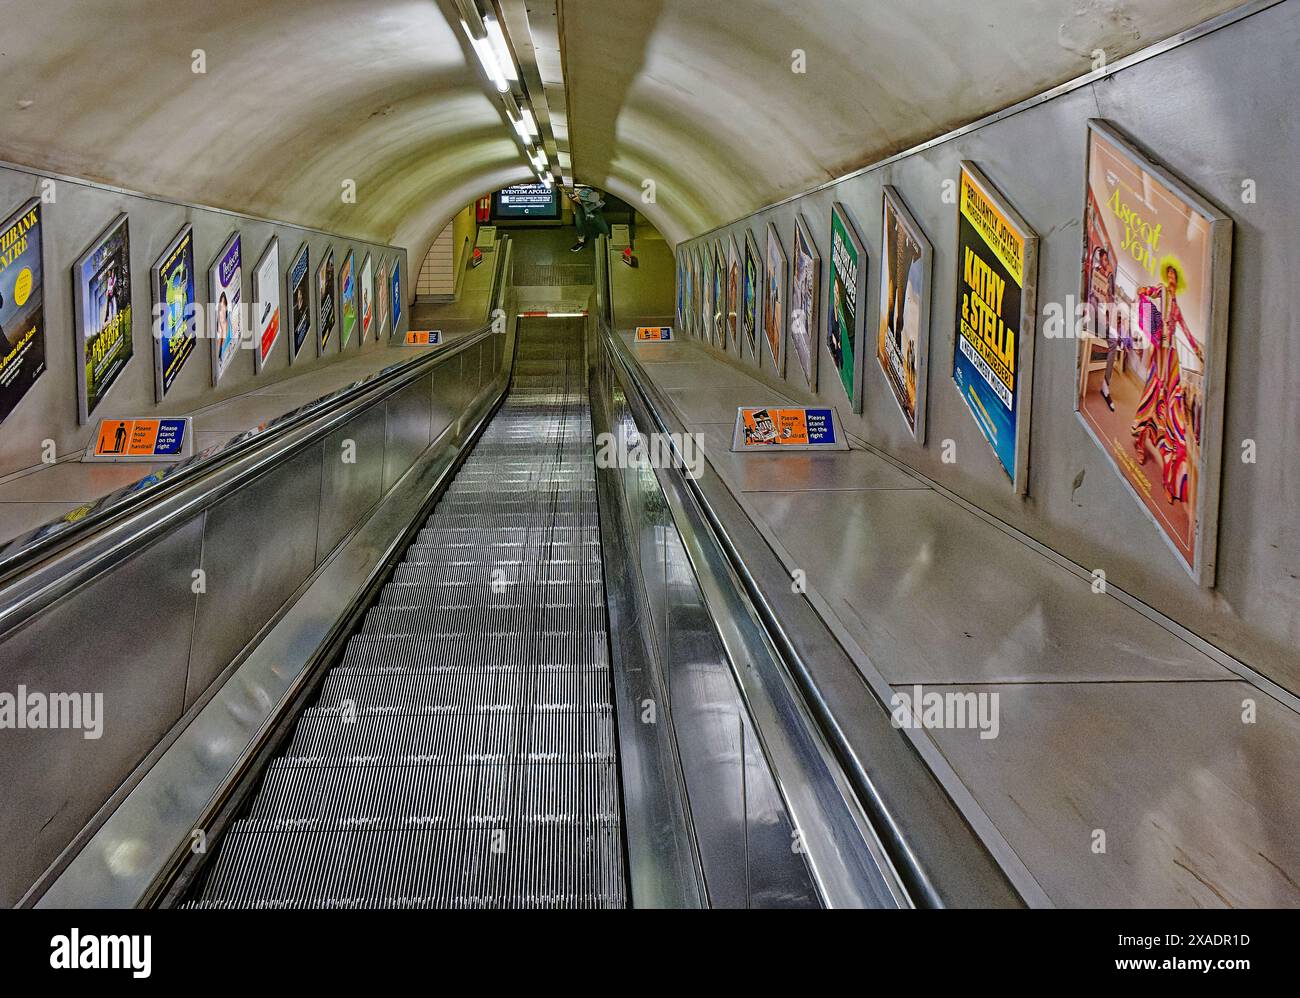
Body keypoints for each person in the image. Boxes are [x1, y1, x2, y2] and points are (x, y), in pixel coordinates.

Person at [1132, 259, 1203, 505]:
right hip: (1159, 353)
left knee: (1171, 408)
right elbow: (1146, 291)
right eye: (1169, 273)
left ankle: (1169, 476)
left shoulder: (1177, 306)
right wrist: (1142, 292)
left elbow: (1185, 330)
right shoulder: (1161, 290)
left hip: (1170, 355)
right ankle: (1141, 441)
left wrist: (1197, 350)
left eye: (1174, 275)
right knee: (1151, 398)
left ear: (1177, 280)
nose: (1171, 278)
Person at [565, 185, 610, 251]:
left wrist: (598, 198)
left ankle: (607, 237)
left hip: (589, 197)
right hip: (575, 196)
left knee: (598, 218)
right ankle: (581, 241)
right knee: (579, 220)